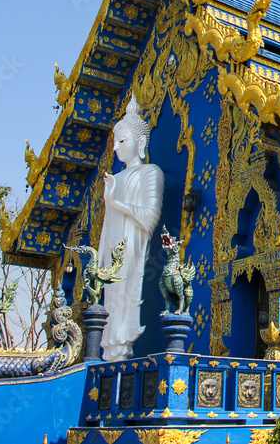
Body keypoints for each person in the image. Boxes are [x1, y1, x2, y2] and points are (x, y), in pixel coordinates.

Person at [98, 95, 164, 361]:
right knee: (108, 305)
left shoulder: (151, 172)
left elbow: (150, 217)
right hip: (112, 250)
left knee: (123, 311)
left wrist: (116, 202)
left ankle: (121, 353)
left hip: (132, 249)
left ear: (140, 142)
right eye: (115, 142)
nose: (116, 148)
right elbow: (105, 228)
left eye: (122, 141)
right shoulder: (115, 178)